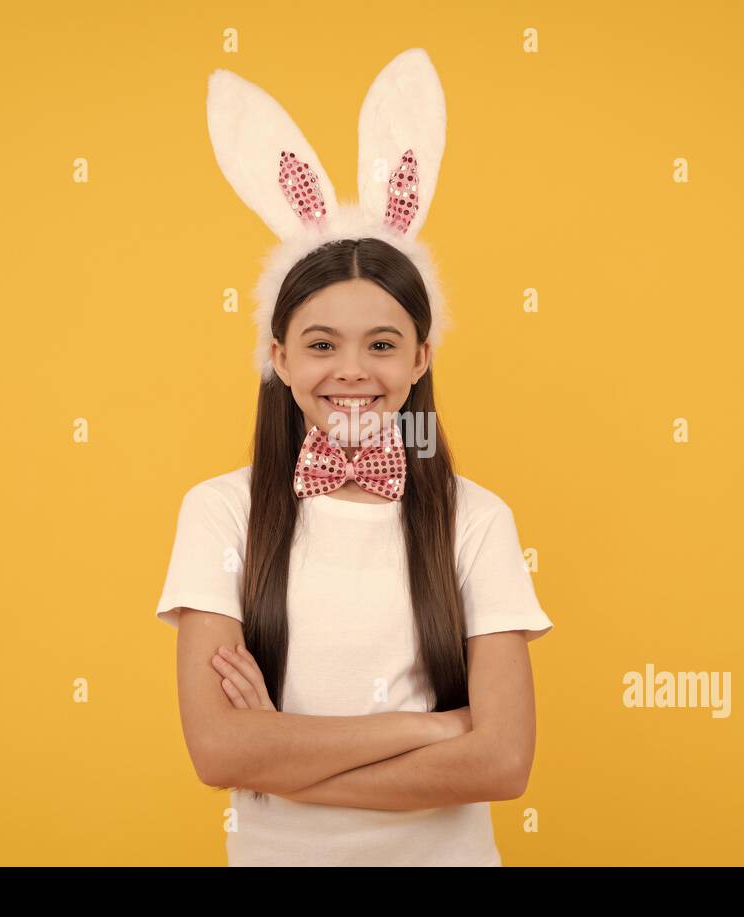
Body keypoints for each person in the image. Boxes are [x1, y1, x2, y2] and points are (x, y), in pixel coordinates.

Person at [154, 48, 553, 866]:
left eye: (382, 344)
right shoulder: (220, 513)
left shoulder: (477, 520)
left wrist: (282, 754)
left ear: (421, 358)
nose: (351, 373)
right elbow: (219, 754)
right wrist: (428, 729)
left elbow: (502, 762)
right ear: (279, 357)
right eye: (320, 344)